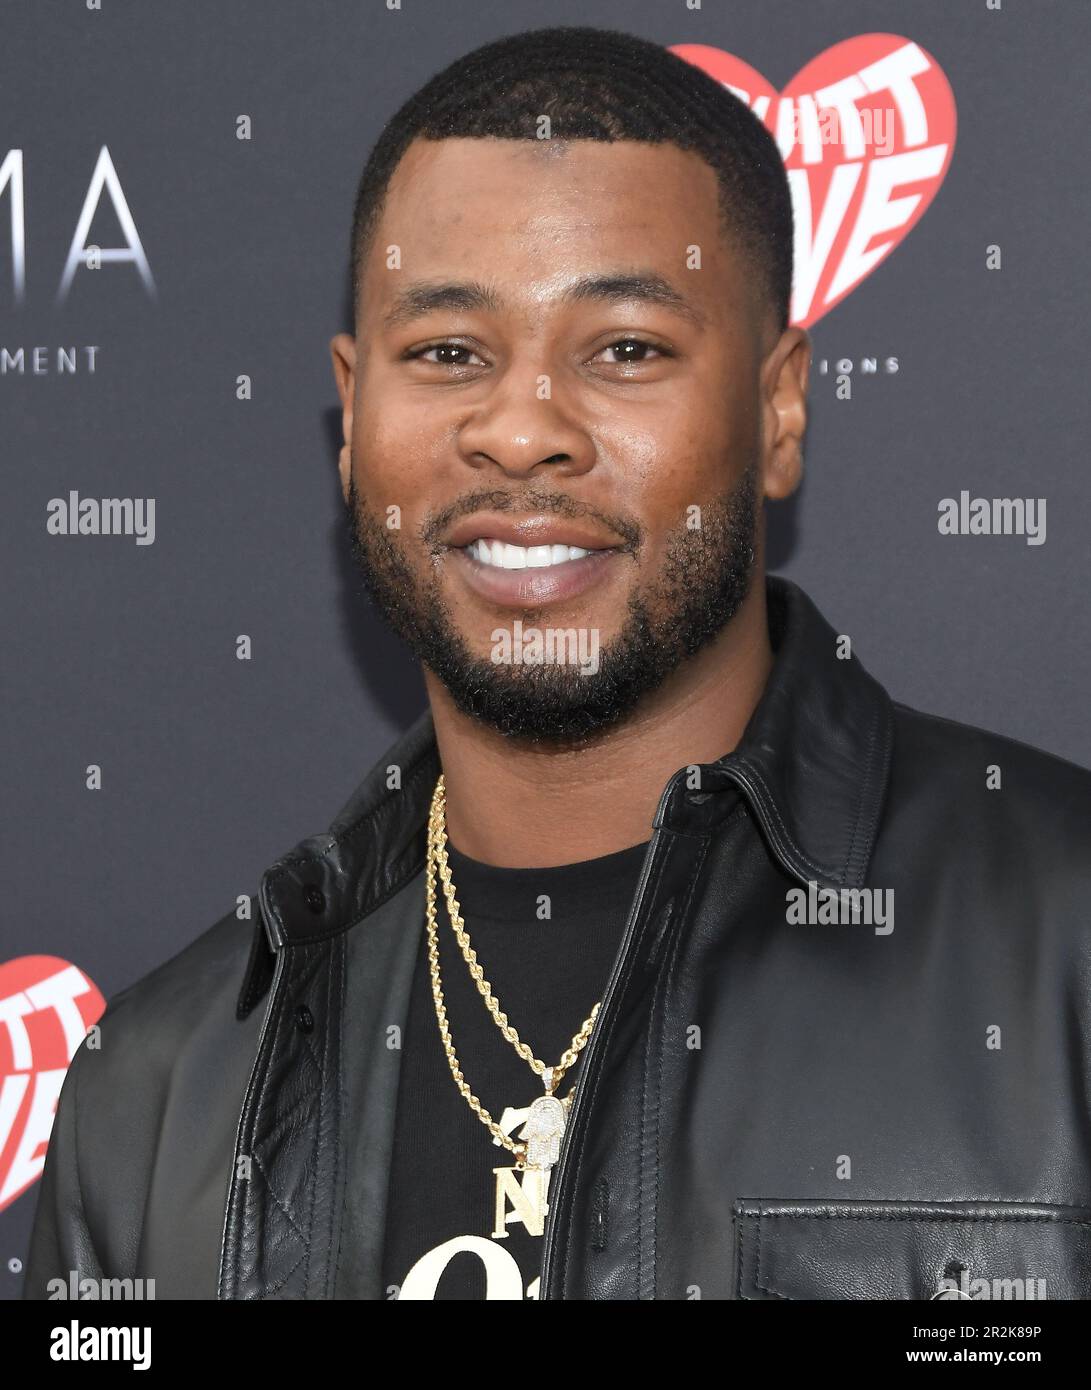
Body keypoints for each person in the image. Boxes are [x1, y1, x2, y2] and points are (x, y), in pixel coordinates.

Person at [24, 25, 1091, 1303]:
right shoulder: (157, 1092)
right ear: (351, 421)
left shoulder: (1059, 948)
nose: (521, 430)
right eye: (449, 354)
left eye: (625, 348)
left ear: (779, 409)